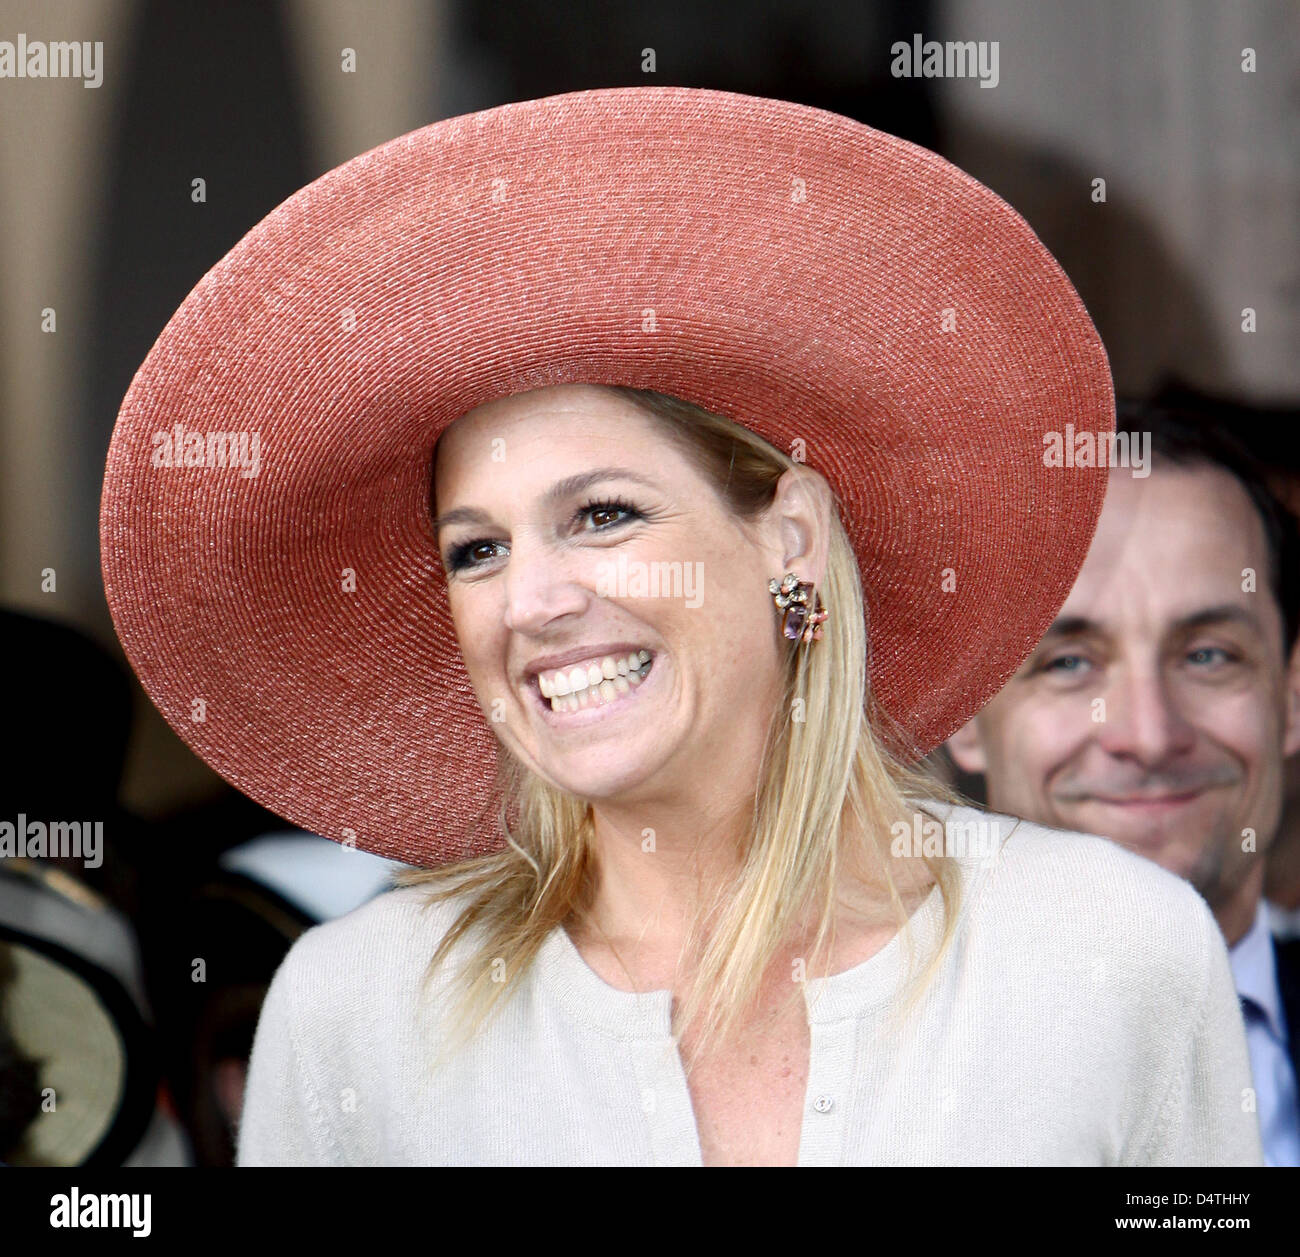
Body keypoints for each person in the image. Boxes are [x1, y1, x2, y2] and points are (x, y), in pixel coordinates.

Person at [100, 86, 1260, 1166]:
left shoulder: (1111, 951)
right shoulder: (359, 1010)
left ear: (790, 539)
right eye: (477, 550)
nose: (534, 599)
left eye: (602, 515)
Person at [947, 397, 1300, 1165]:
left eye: (1208, 655)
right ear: (967, 710)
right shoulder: (852, 1069)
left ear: (1291, 693)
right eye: (1069, 661)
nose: (1148, 734)